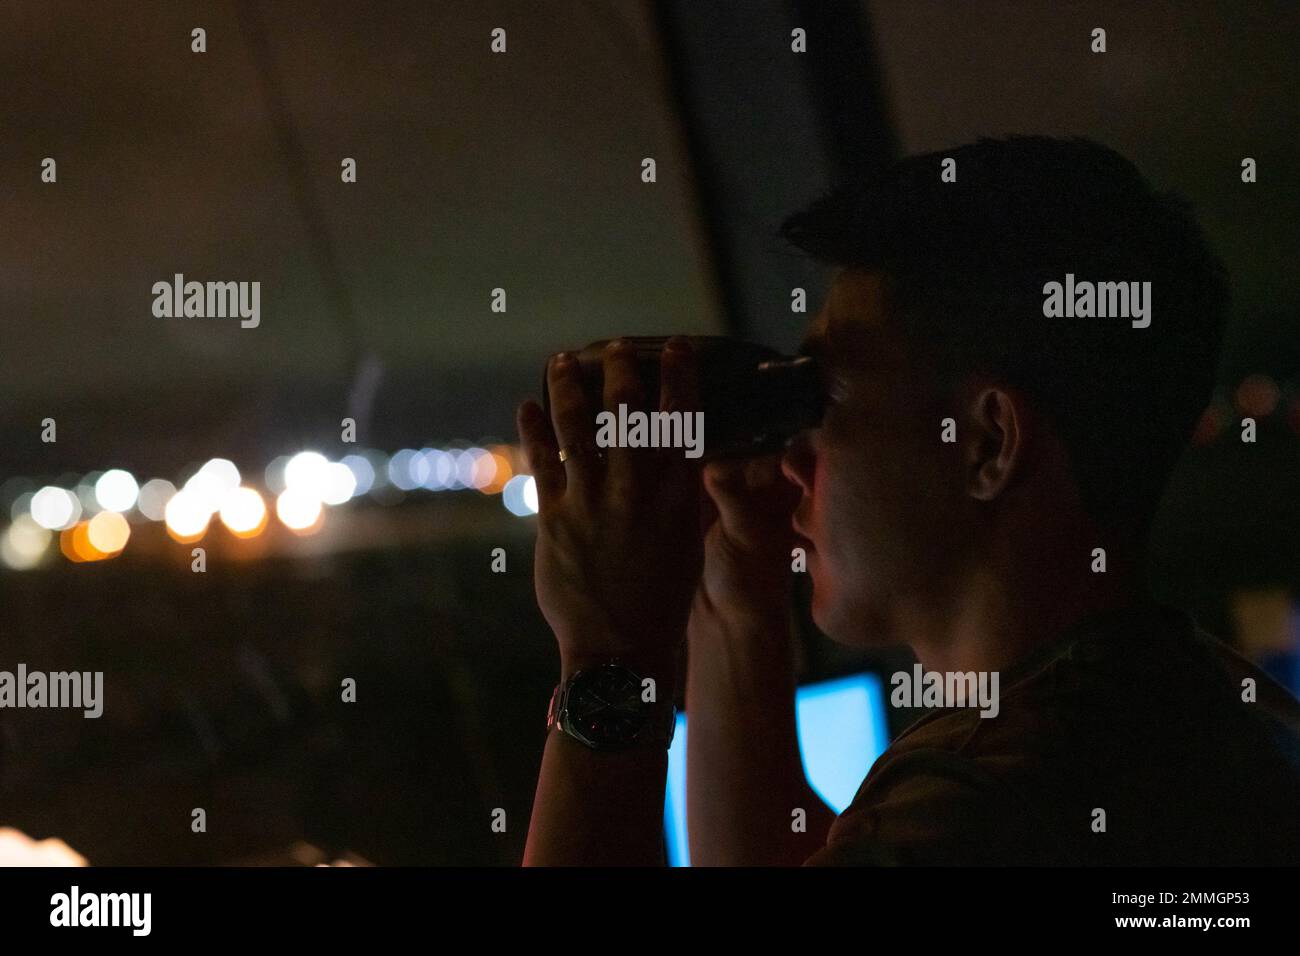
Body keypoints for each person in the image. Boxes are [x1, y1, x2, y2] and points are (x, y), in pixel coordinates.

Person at [515, 136, 1300, 866]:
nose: (791, 456)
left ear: (988, 443)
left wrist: (610, 654)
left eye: (823, 397)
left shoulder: (988, 798)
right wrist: (731, 600)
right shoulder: (1192, 702)